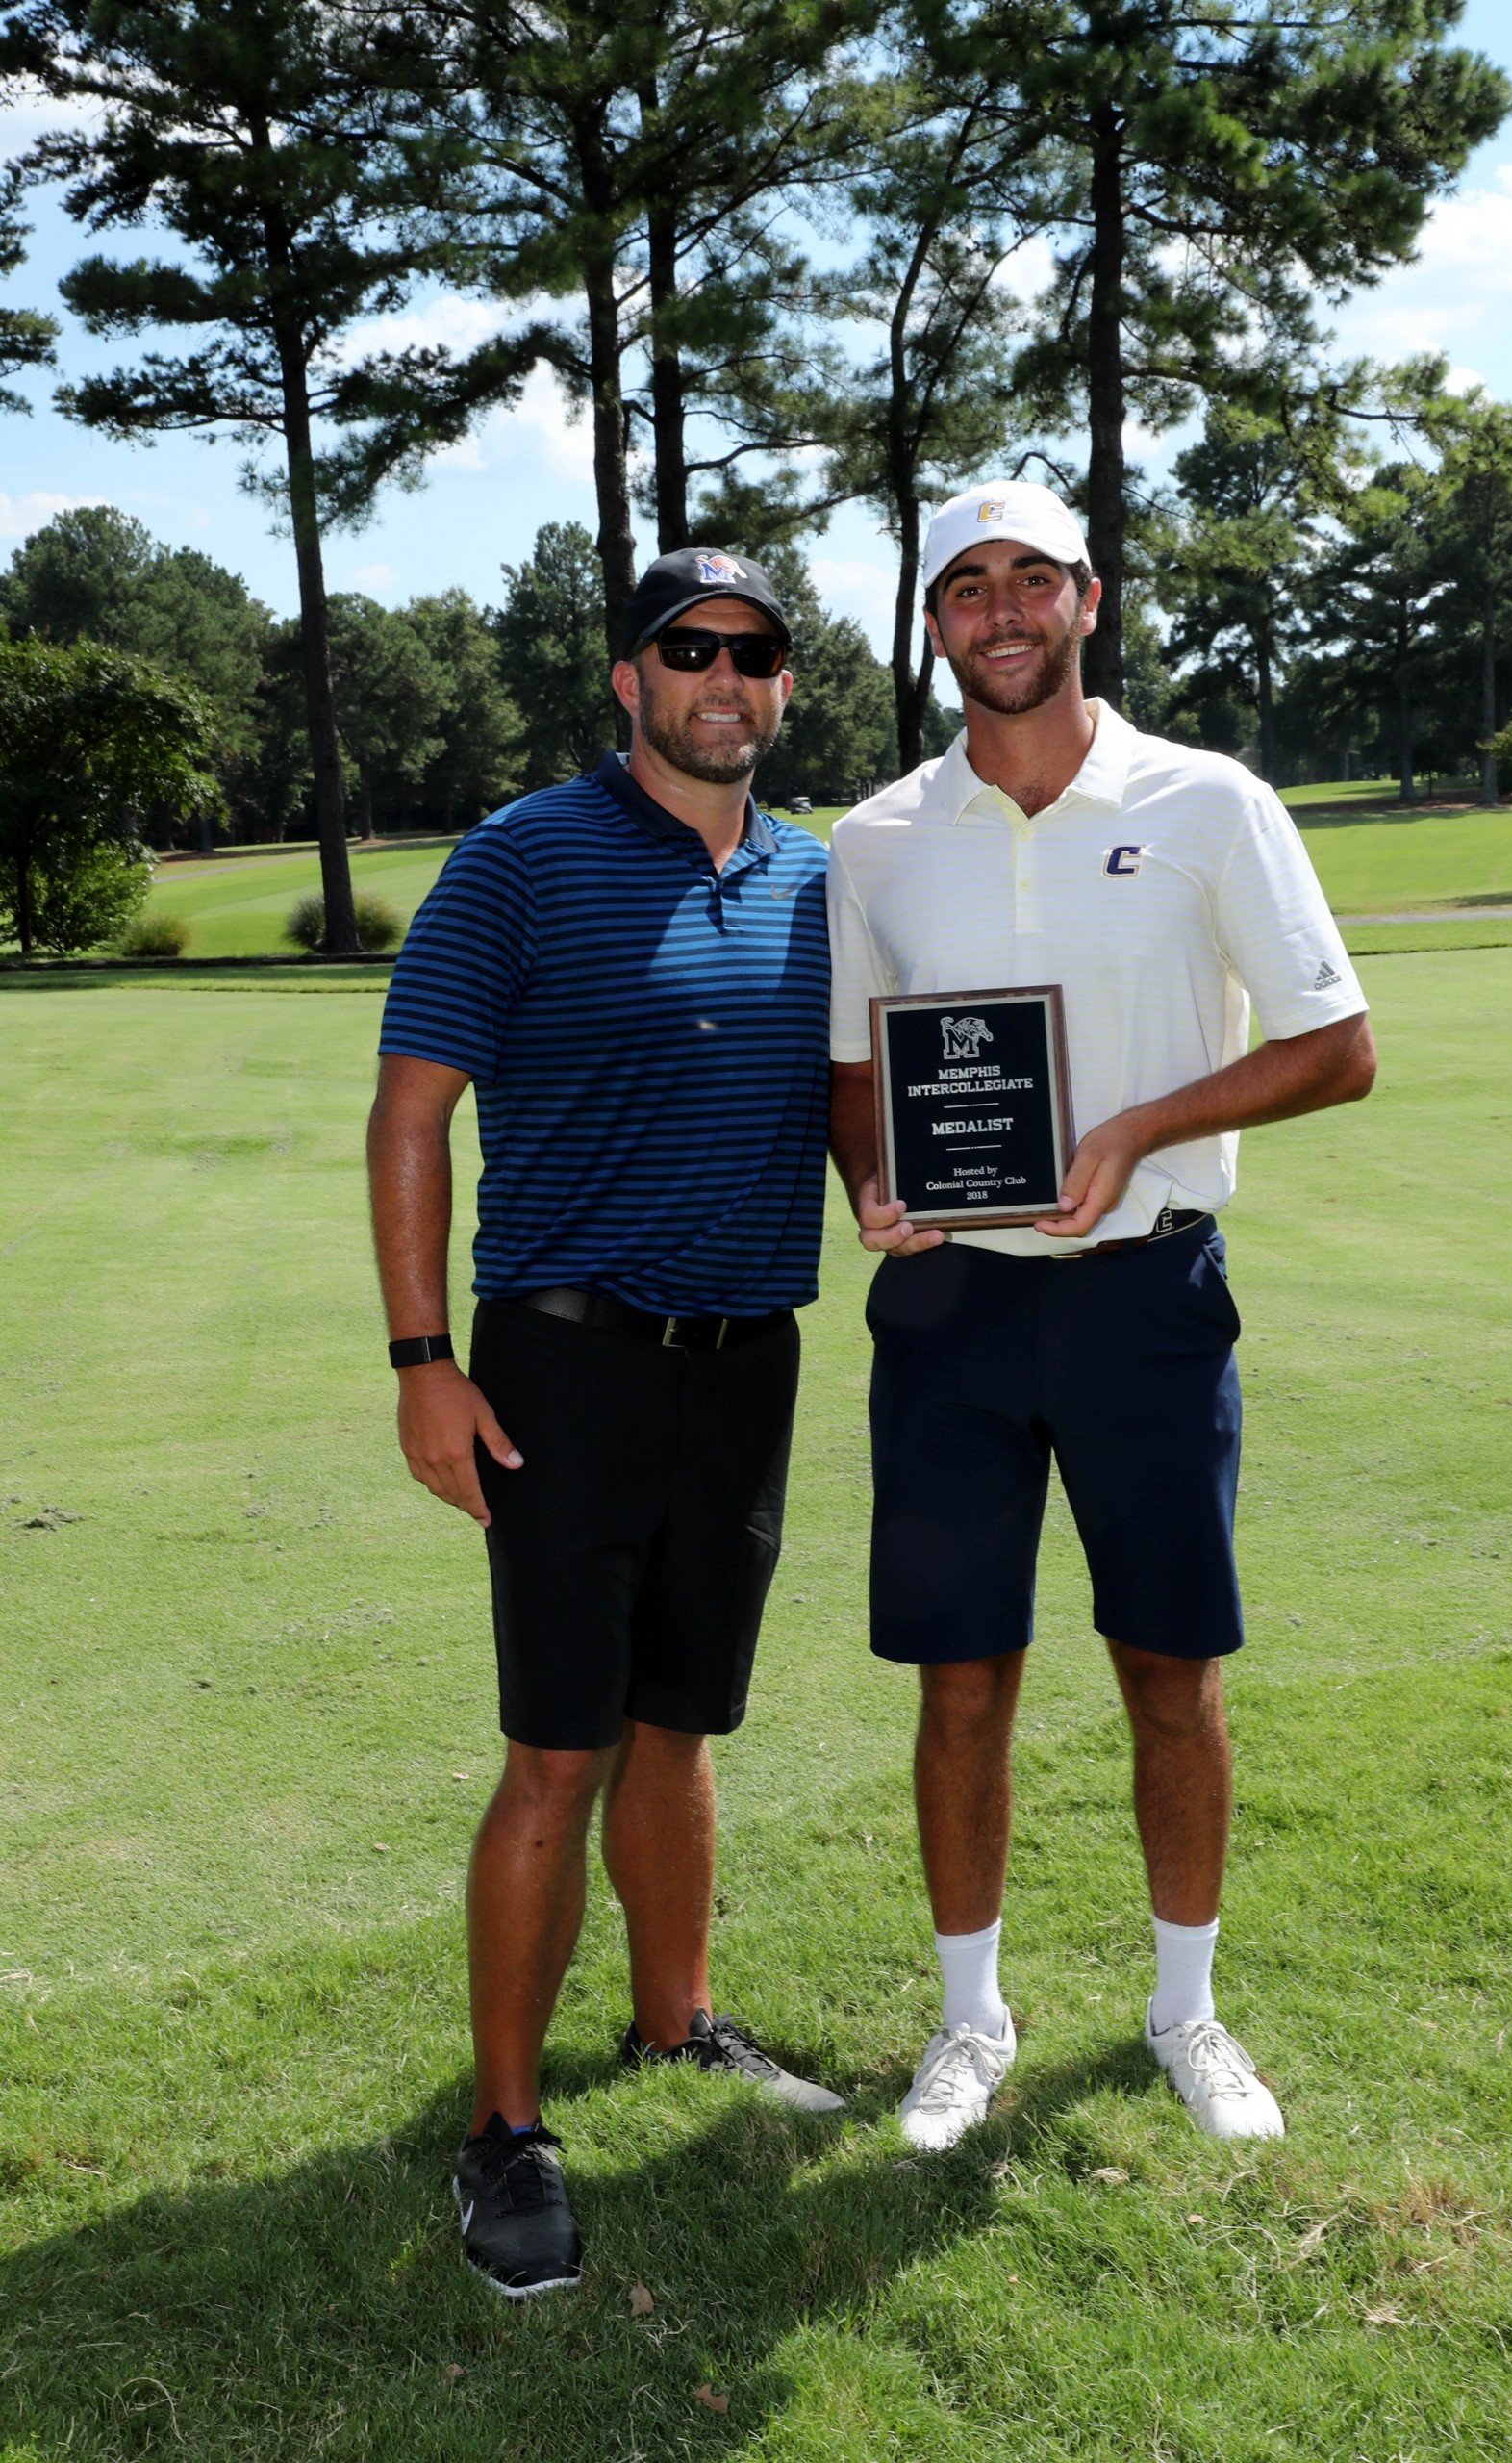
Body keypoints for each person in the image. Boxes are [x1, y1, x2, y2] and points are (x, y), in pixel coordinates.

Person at [826, 482, 1376, 2153]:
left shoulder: (1207, 801)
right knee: (959, 1678)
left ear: (1087, 600)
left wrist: (1134, 1128)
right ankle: (967, 2020)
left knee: (1168, 1663)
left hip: (1145, 1295)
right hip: (949, 1308)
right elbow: (861, 1072)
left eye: (1030, 582)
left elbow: (1334, 1043)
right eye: (964, 588)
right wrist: (872, 1180)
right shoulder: (873, 837)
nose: (998, 611)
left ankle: (1184, 2013)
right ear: (932, 626)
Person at [368, 546, 842, 2301]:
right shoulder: (517, 858)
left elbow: (856, 1091)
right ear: (628, 680)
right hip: (563, 1363)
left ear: (785, 684)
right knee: (558, 1749)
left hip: (747, 1361)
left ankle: (671, 2025)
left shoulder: (812, 872)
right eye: (688, 648)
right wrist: (424, 1354)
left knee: (681, 1727)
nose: (725, 675)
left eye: (755, 651)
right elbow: (412, 1110)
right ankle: (502, 2131)